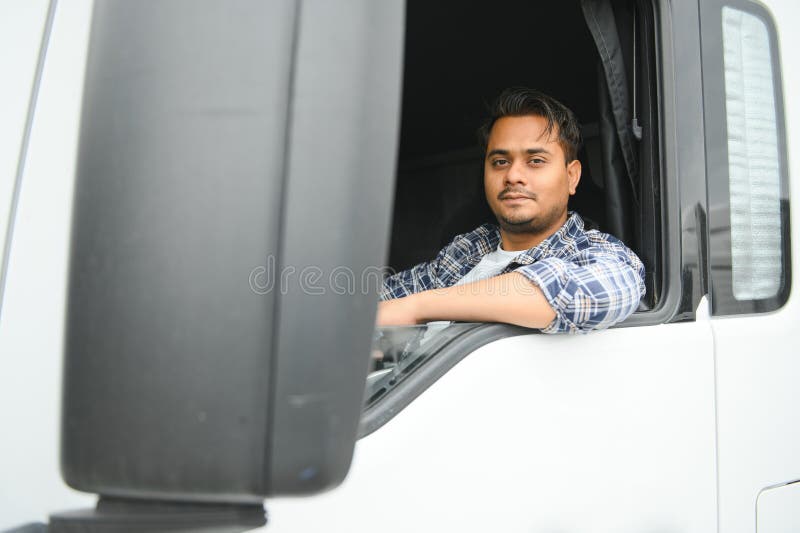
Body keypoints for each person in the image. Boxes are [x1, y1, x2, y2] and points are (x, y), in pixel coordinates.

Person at [376, 87, 645, 333]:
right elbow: (386, 295)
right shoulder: (469, 248)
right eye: (501, 161)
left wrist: (416, 308)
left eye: (536, 161)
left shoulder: (598, 253)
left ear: (572, 176)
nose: (513, 175)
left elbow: (575, 291)